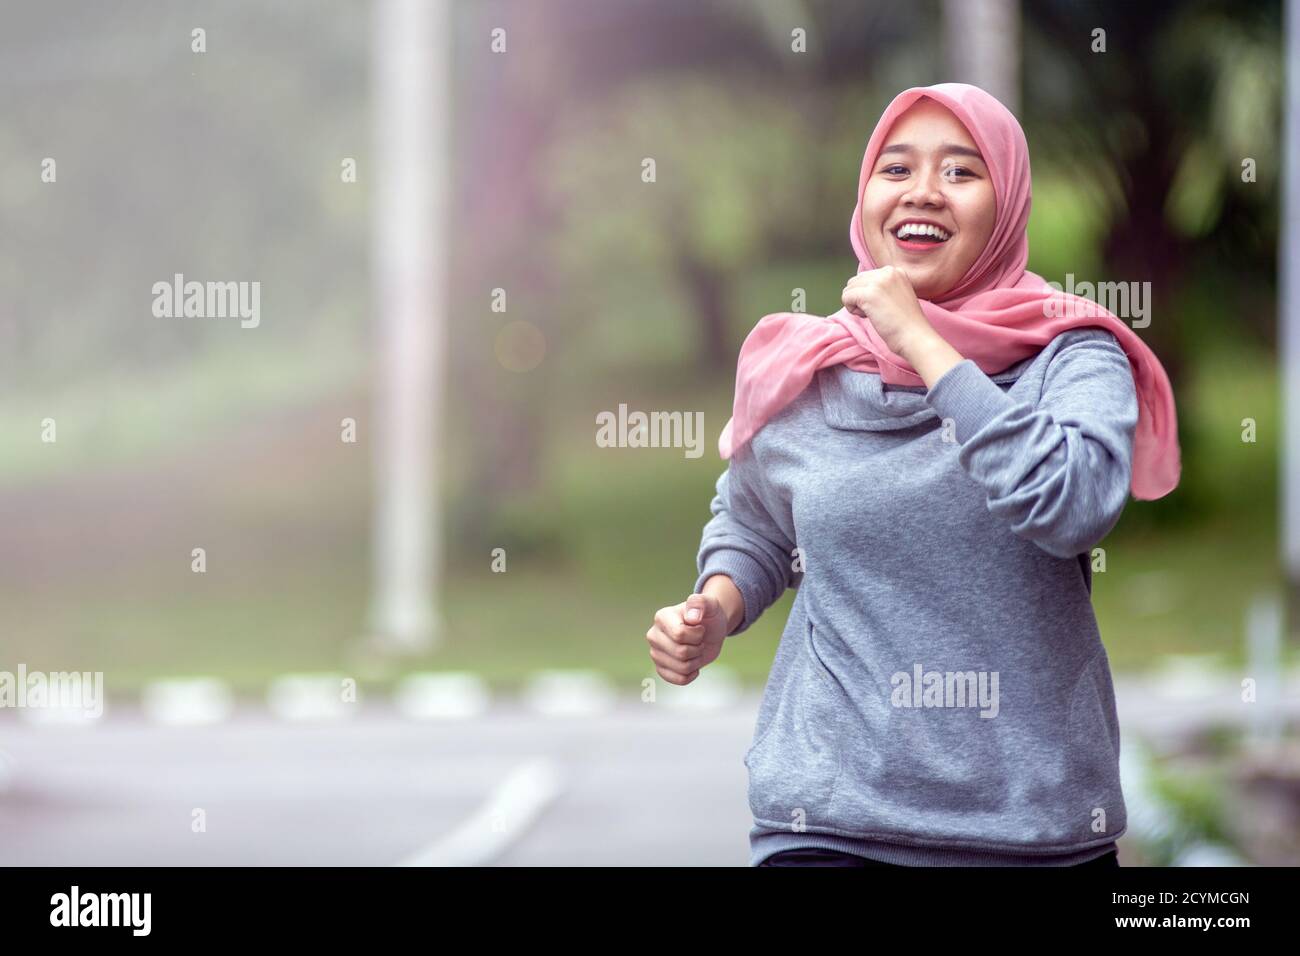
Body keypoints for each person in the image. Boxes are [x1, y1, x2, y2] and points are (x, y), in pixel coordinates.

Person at [643, 83, 1181, 867]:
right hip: (824, 822)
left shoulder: (1073, 356)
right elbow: (755, 523)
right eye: (896, 168)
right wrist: (714, 609)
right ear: (867, 196)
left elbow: (1070, 504)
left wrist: (927, 346)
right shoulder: (805, 362)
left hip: (1027, 834)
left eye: (962, 172)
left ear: (1008, 203)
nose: (923, 191)